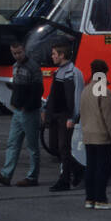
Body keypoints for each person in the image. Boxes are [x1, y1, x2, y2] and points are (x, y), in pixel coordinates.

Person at [0, 39, 43, 187]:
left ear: (24, 50)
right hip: (18, 110)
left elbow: (38, 89)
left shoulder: (33, 66)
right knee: (12, 143)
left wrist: (28, 106)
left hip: (29, 111)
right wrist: (14, 103)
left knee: (32, 146)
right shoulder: (15, 66)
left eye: (19, 52)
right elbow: (17, 87)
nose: (17, 56)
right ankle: (6, 174)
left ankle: (32, 177)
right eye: (14, 53)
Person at [80, 58, 111, 209]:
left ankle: (89, 198)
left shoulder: (85, 90)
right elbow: (110, 119)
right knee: (102, 169)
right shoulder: (103, 91)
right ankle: (101, 199)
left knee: (90, 168)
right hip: (102, 136)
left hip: (88, 135)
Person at [44, 42, 84, 192]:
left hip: (66, 116)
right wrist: (46, 109)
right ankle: (78, 168)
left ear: (62, 55)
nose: (52, 56)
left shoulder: (74, 73)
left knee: (64, 147)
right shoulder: (58, 72)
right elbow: (53, 94)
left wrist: (74, 117)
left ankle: (64, 180)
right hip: (55, 115)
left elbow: (78, 96)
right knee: (54, 147)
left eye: (54, 54)